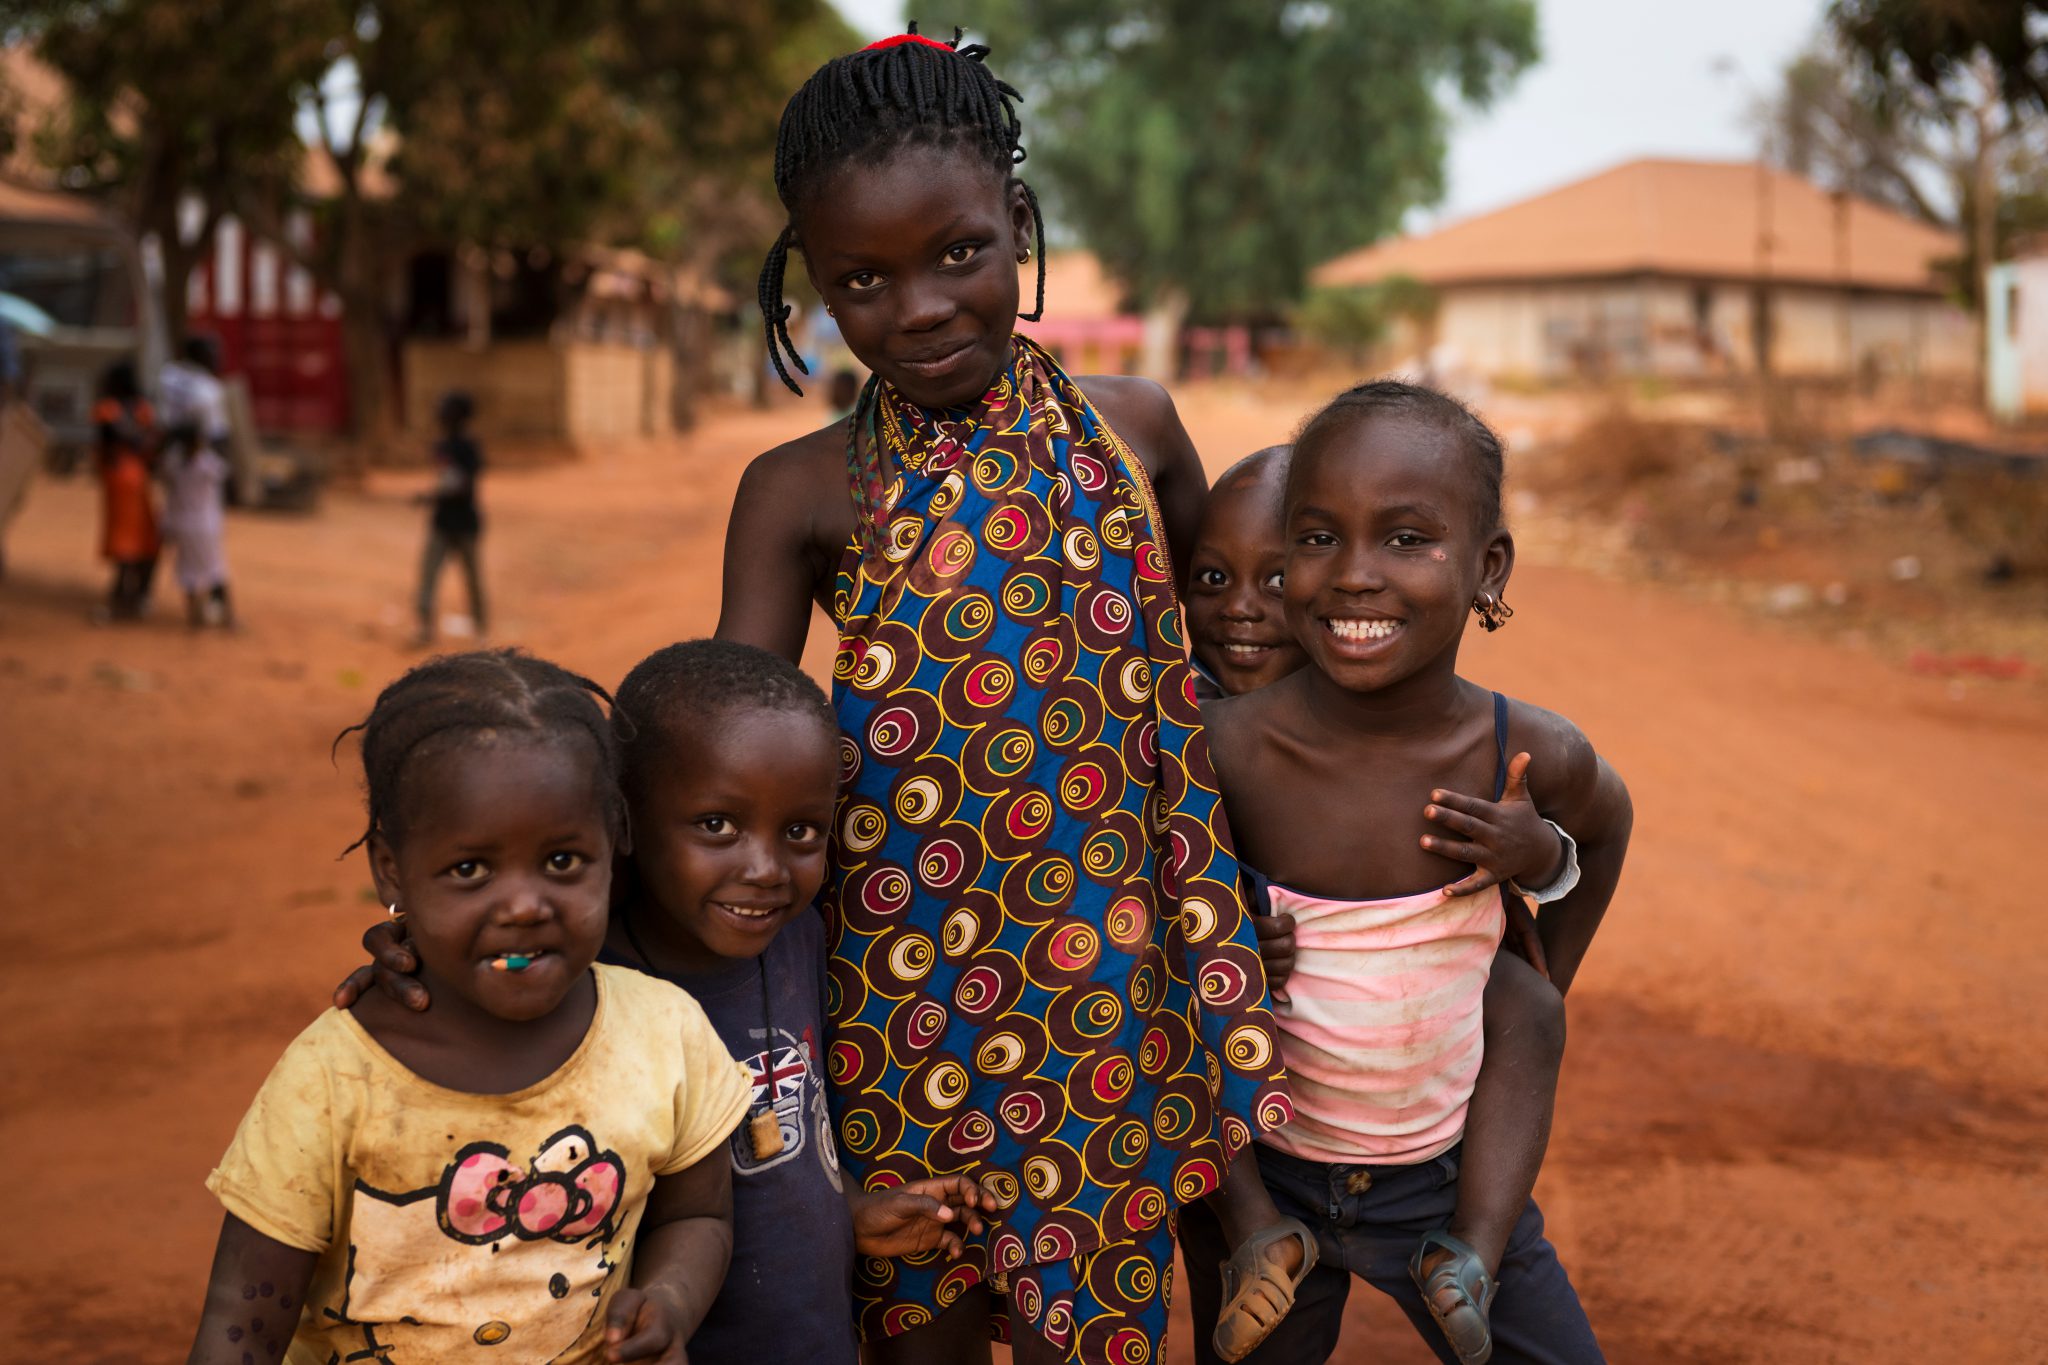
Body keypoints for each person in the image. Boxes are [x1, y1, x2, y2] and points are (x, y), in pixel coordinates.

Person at [715, 27, 1305, 1365]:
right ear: (808, 281)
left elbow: (1237, 668)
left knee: (1085, 1333)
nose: (919, 307)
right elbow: (722, 751)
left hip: (1114, 989)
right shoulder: (800, 493)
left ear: (1019, 223)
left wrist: (1274, 892)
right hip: (895, 1001)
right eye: (864, 280)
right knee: (917, 1328)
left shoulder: (1136, 430)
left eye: (961, 254)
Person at [336, 638, 996, 1364]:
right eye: (717, 825)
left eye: (800, 830)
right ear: (625, 824)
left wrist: (847, 1213)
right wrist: (419, 954)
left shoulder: (798, 937)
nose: (764, 868)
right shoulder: (583, 986)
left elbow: (780, 1145)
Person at [1178, 382, 1634, 1365]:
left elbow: (1606, 826)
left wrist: (1542, 885)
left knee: (1525, 1002)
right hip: (1266, 1173)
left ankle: (1470, 1253)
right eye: (1315, 539)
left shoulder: (1520, 750)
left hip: (1447, 1178)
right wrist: (1218, 935)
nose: (1352, 576)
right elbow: (1142, 904)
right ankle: (1258, 1237)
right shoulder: (1221, 750)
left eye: (1405, 540)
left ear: (1487, 566)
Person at [187, 650, 753, 1364]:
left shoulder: (664, 1034)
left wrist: (669, 1299)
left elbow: (698, 1212)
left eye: (561, 861)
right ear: (391, 868)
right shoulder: (330, 1082)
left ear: (615, 842)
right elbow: (240, 1322)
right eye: (469, 869)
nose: (523, 905)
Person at [1183, 446, 1302, 702]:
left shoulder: (1384, 734)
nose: (1237, 608)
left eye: (1280, 581)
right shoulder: (1173, 726)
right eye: (1214, 578)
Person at [158, 336, 236, 628]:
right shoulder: (209, 391)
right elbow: (219, 438)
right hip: (203, 516)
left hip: (177, 499)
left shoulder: (167, 378)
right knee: (214, 562)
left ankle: (139, 596)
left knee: (185, 564)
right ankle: (223, 612)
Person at [417, 390, 487, 645]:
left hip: (465, 522)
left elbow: (462, 486)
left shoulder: (468, 447)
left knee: (472, 579)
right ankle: (425, 629)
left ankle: (480, 631)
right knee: (428, 576)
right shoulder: (442, 445)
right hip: (443, 521)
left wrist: (431, 497)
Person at [93, 360, 159, 622]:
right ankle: (133, 597)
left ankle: (123, 598)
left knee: (128, 540)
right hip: (135, 479)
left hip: (123, 479)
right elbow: (147, 441)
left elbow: (112, 440)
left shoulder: (110, 410)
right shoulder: (138, 411)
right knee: (139, 538)